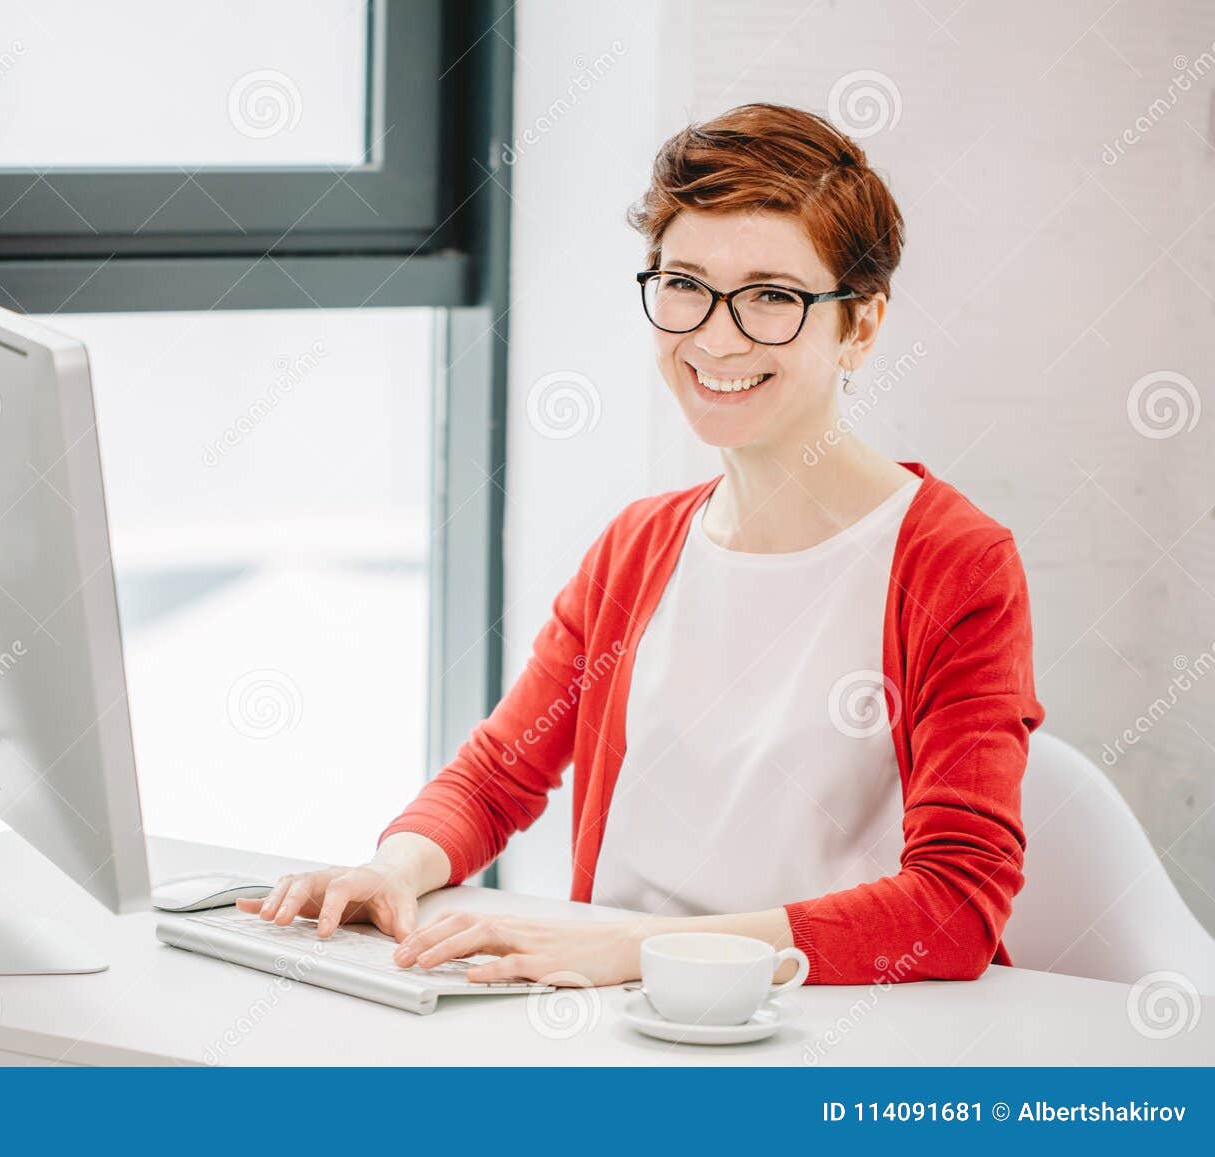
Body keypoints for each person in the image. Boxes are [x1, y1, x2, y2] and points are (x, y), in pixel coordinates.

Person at [238, 103, 1044, 988]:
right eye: (686, 283)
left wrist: (635, 952)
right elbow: (500, 773)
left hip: (817, 1038)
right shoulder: (639, 544)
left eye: (773, 295)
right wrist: (390, 871)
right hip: (613, 1021)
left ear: (859, 325)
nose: (715, 333)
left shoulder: (954, 561)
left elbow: (954, 908)